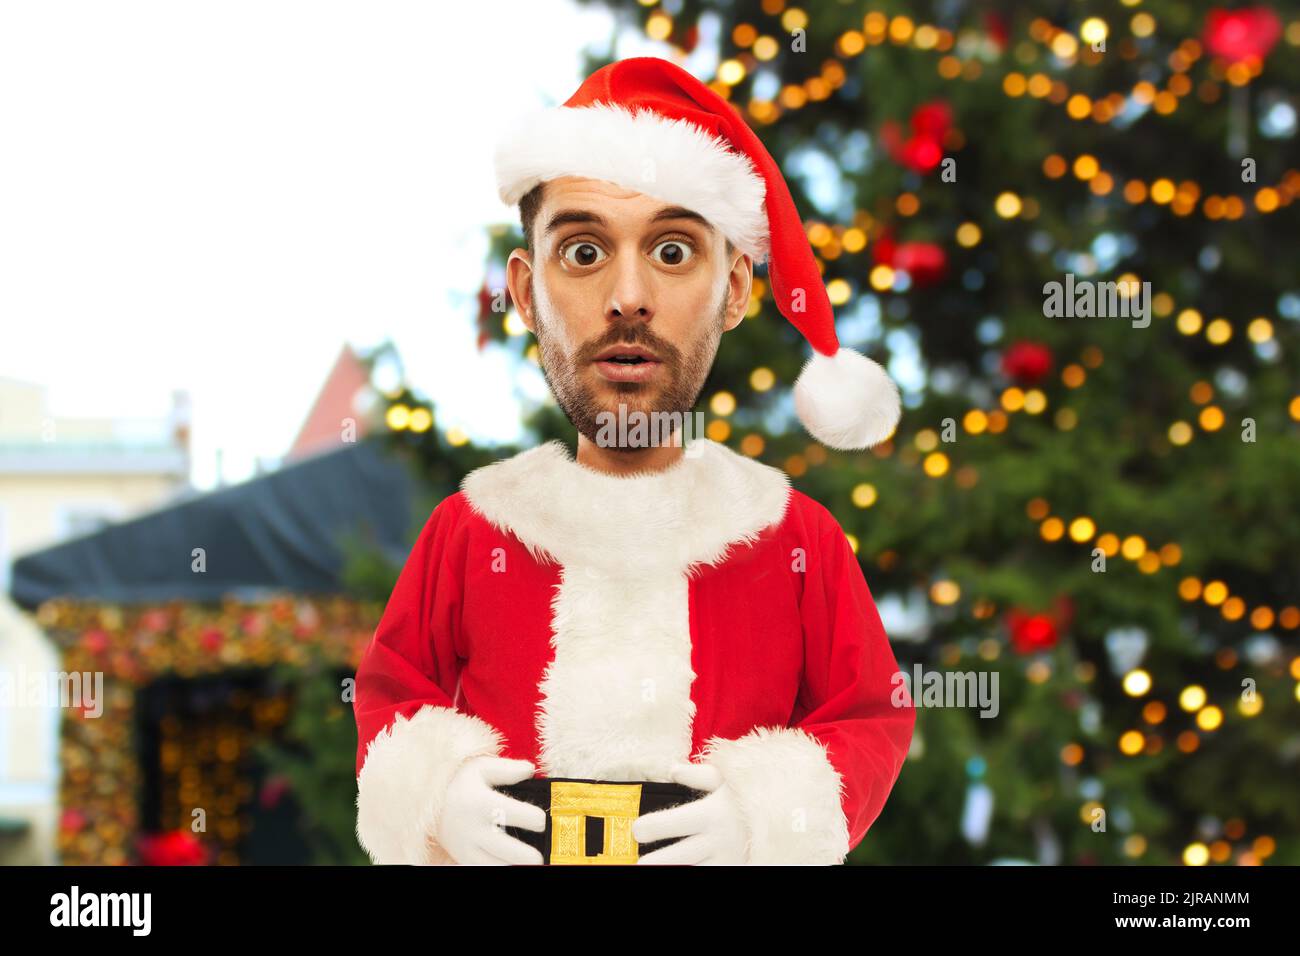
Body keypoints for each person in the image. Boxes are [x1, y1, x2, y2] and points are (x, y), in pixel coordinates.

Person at [352, 56, 914, 866]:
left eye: (675, 251)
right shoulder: (469, 534)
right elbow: (393, 696)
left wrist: (768, 818)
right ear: (524, 291)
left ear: (736, 288)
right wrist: (435, 798)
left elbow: (871, 717)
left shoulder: (798, 540)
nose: (628, 297)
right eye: (582, 252)